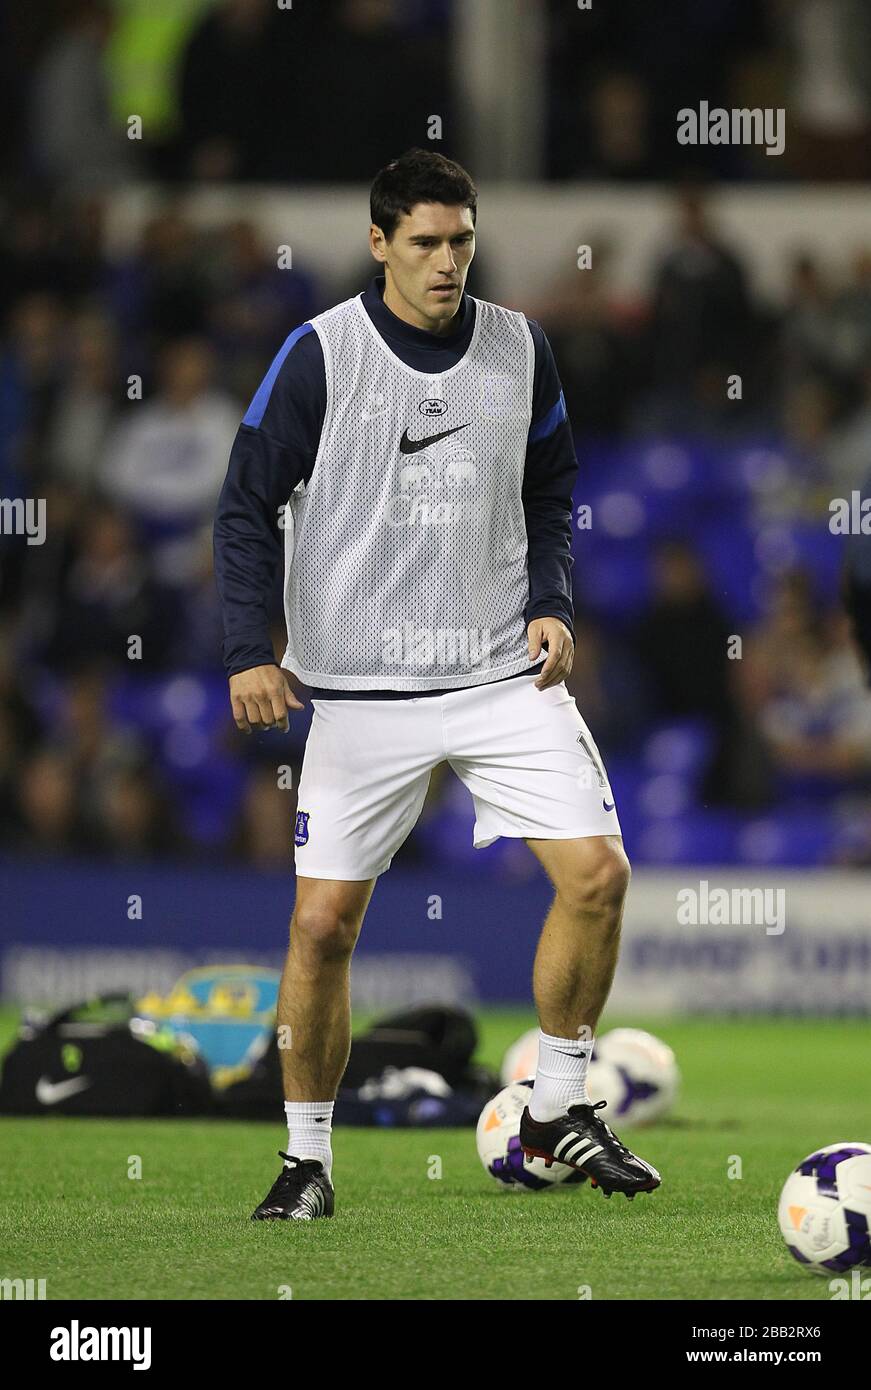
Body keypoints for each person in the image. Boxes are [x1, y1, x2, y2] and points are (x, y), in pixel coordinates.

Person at [213, 149, 660, 1220]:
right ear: (379, 244)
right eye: (424, 242)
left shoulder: (520, 348)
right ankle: (306, 1161)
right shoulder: (320, 355)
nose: (447, 261)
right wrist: (244, 650)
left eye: (460, 240)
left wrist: (552, 597)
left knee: (597, 875)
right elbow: (243, 503)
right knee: (321, 927)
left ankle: (555, 1106)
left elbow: (551, 487)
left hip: (499, 670)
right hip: (358, 689)